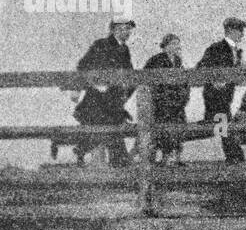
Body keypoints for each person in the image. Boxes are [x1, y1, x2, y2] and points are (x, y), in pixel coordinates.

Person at [72, 14, 136, 167]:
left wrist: (125, 95)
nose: (127, 32)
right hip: (98, 99)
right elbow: (83, 65)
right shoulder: (101, 45)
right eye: (123, 29)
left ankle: (117, 164)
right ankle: (113, 164)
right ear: (114, 30)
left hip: (114, 100)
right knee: (103, 130)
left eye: (128, 29)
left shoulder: (124, 49)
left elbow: (131, 75)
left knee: (111, 131)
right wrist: (82, 87)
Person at [196, 16, 246, 165]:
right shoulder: (215, 48)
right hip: (215, 97)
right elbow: (200, 69)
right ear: (230, 30)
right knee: (224, 128)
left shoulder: (237, 51)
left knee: (224, 128)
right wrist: (214, 80)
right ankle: (235, 160)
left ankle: (234, 159)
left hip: (226, 98)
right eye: (240, 30)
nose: (242, 34)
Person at [142, 33, 190, 166]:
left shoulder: (178, 61)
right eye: (173, 43)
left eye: (177, 44)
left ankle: (176, 156)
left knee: (180, 127)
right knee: (164, 129)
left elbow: (184, 81)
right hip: (162, 103)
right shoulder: (156, 60)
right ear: (166, 46)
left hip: (178, 103)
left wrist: (183, 97)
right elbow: (146, 79)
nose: (176, 46)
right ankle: (165, 157)